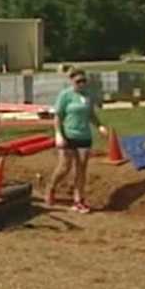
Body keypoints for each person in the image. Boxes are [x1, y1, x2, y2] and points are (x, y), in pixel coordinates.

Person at [45, 68, 107, 213]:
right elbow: (58, 116)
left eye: (84, 81)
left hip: (84, 136)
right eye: (78, 81)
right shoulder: (65, 95)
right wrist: (59, 134)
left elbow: (91, 115)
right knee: (65, 167)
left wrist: (100, 126)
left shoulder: (88, 96)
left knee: (82, 169)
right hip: (68, 135)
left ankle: (78, 200)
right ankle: (51, 187)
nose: (82, 84)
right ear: (72, 81)